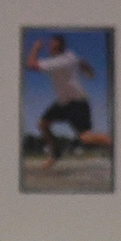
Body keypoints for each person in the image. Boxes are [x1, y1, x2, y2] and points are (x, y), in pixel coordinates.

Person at [27, 34, 99, 168]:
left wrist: (35, 48)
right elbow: (88, 71)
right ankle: (55, 154)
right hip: (63, 102)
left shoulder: (58, 61)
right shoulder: (71, 56)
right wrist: (86, 67)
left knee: (85, 137)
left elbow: (31, 64)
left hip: (77, 103)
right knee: (43, 124)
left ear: (58, 48)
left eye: (52, 46)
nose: (48, 48)